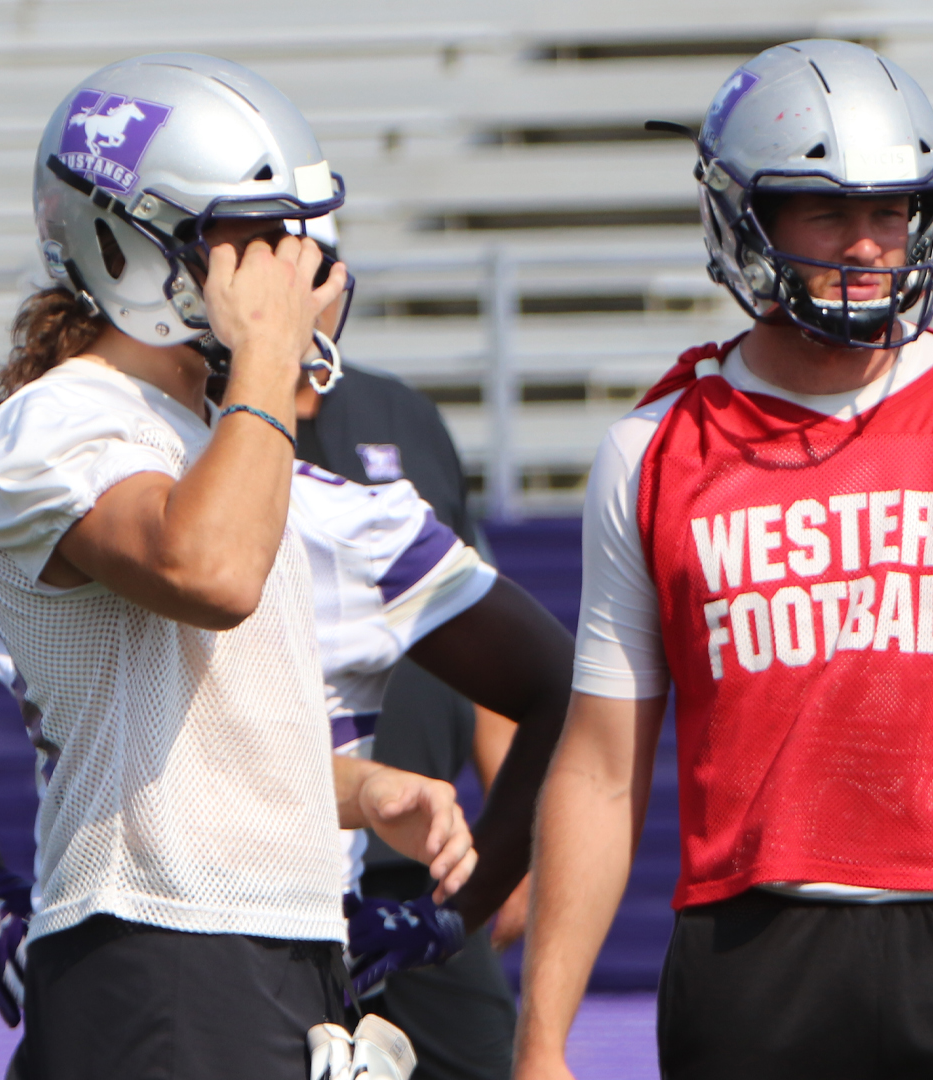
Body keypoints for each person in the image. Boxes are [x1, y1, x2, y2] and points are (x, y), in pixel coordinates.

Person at [516, 40, 933, 1080]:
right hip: (755, 957)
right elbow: (602, 770)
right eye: (828, 212)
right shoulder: (653, 451)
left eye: (893, 210)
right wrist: (541, 1039)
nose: (871, 244)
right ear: (746, 215)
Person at [0, 54, 470, 1079]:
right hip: (156, 945)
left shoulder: (214, 431)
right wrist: (271, 362)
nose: (291, 269)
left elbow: (195, 745)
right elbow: (213, 574)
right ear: (122, 242)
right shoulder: (54, 420)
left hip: (264, 944)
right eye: (251, 238)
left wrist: (358, 789)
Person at [292, 215, 541, 1080]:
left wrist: (507, 846)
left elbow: (494, 656)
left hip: (425, 861)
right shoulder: (194, 436)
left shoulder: (405, 417)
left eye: (313, 262)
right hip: (275, 870)